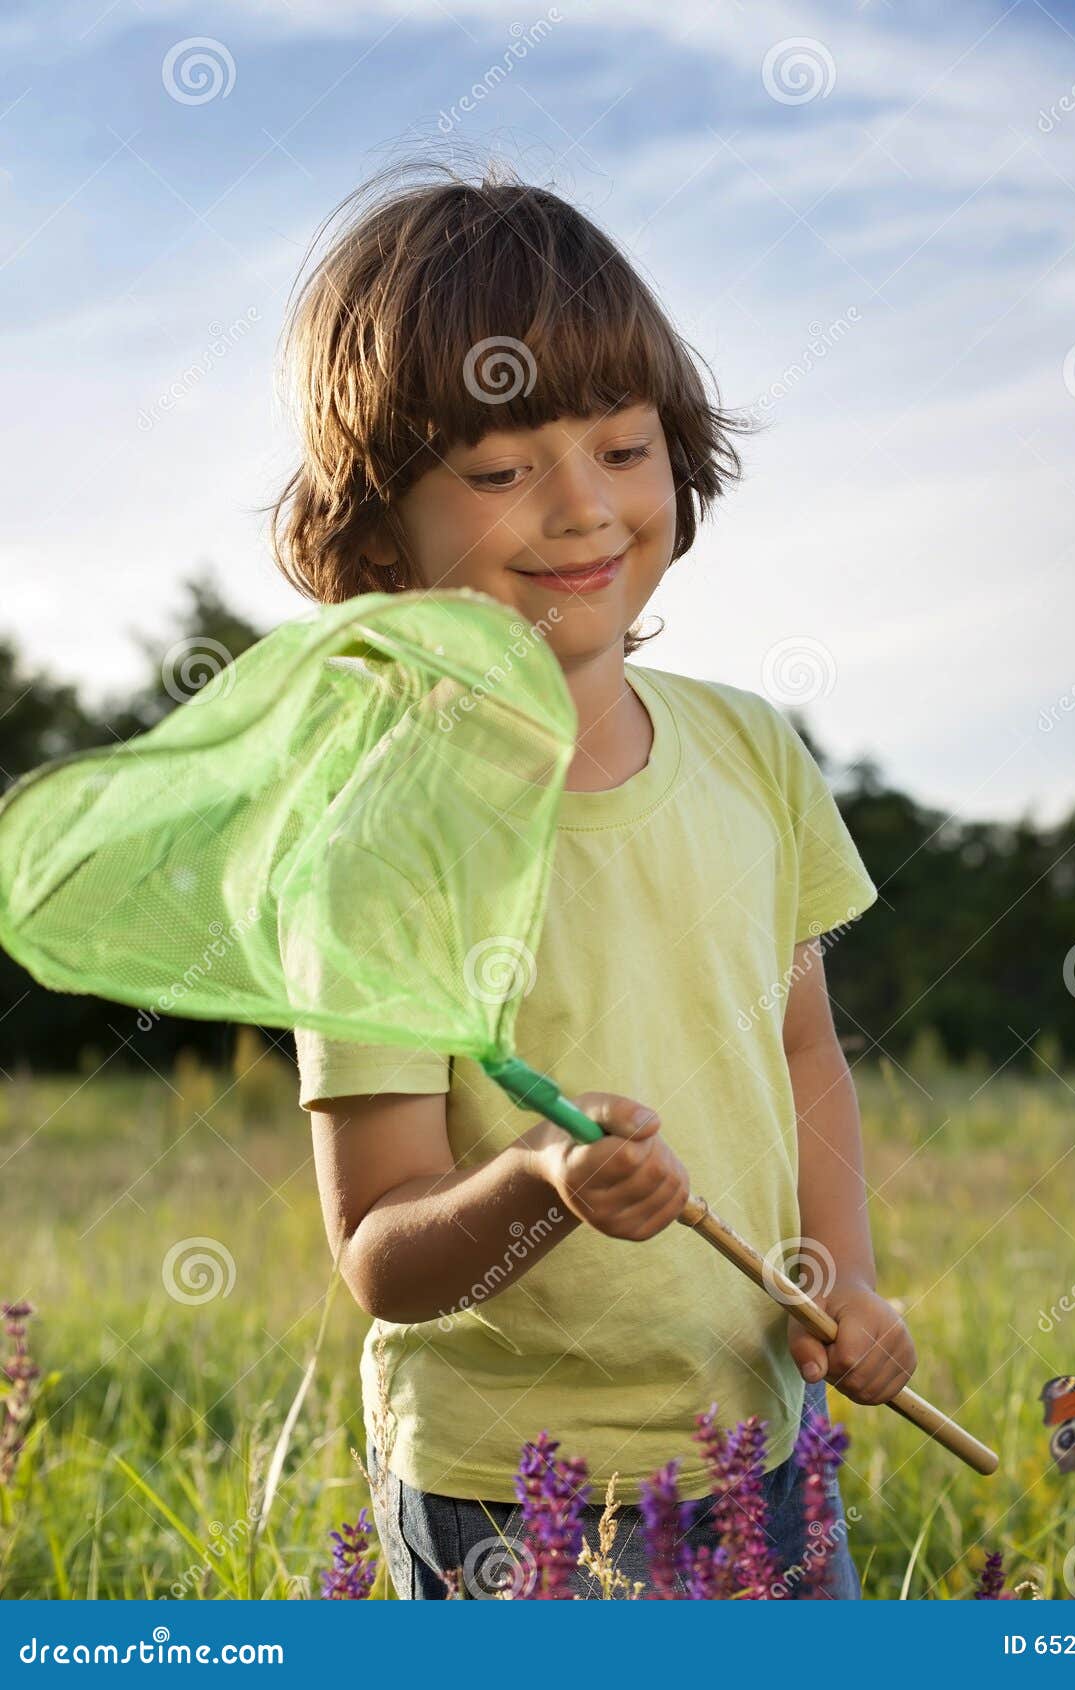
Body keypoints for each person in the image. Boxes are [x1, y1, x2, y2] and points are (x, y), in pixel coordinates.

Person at [278, 159, 916, 1600]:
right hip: (513, 1490)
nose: (582, 511)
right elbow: (382, 1248)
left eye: (624, 449)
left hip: (763, 1446)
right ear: (383, 530)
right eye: (501, 471)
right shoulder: (379, 840)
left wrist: (845, 1277)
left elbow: (804, 1047)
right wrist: (539, 1186)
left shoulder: (751, 750)